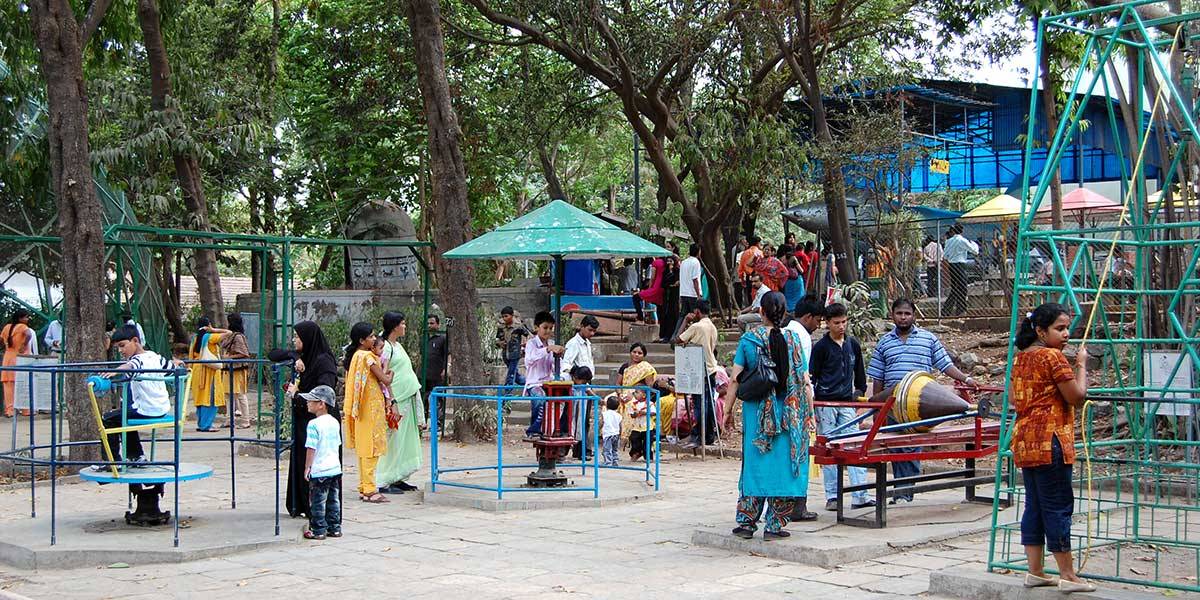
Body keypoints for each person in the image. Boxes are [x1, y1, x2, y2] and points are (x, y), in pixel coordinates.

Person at [1011, 303, 1096, 593]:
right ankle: (1068, 576)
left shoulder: (1020, 359)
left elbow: (1014, 399)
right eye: (1060, 328)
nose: (1067, 333)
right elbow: (1076, 396)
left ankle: (1035, 570)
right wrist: (1082, 365)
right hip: (1052, 442)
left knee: (1034, 505)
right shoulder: (1053, 357)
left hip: (1025, 442)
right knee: (1058, 506)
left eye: (1066, 327)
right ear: (1040, 331)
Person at [723, 291, 816, 541]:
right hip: (790, 414)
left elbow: (734, 379)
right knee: (784, 468)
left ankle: (746, 523)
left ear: (761, 312)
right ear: (785, 313)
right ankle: (774, 525)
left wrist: (727, 411)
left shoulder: (748, 340)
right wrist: (811, 415)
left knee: (755, 466)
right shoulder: (795, 340)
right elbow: (805, 382)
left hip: (757, 416)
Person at [867, 298, 975, 503]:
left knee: (911, 447)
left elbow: (944, 364)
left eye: (907, 314)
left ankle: (904, 493)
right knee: (894, 446)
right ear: (892, 315)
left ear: (914, 315)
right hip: (892, 405)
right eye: (899, 313)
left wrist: (966, 379)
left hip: (920, 406)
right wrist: (876, 409)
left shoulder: (928, 339)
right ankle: (900, 491)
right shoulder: (884, 343)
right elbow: (878, 377)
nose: (903, 317)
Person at [808, 303, 874, 510]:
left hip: (847, 402)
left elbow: (860, 374)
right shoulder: (820, 348)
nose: (841, 326)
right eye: (836, 323)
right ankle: (833, 496)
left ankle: (860, 494)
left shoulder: (852, 344)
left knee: (854, 445)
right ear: (827, 324)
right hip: (826, 403)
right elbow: (812, 377)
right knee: (829, 448)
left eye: (844, 322)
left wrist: (859, 393)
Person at [275, 321, 340, 519]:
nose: (295, 340)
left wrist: (298, 395)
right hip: (305, 419)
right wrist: (295, 356)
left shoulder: (324, 362)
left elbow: (325, 395)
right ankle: (301, 504)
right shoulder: (307, 357)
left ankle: (321, 513)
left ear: (309, 339)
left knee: (318, 465)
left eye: (298, 337)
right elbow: (274, 354)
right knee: (303, 461)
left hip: (320, 421)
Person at [102, 325, 176, 465]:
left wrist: (116, 371)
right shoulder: (156, 357)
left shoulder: (137, 360)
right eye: (118, 347)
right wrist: (177, 363)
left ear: (135, 340)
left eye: (123, 345)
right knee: (123, 416)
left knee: (108, 418)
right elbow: (173, 369)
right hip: (161, 408)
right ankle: (136, 456)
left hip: (146, 409)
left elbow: (131, 366)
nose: (120, 350)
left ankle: (112, 462)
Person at [343, 322, 392, 503]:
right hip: (371, 409)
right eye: (371, 337)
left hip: (360, 409)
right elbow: (385, 379)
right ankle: (370, 490)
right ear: (361, 340)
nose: (374, 339)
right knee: (372, 448)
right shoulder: (367, 357)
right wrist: (391, 373)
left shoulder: (356, 356)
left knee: (364, 449)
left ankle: (365, 487)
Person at [376, 312, 424, 494]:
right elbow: (383, 375)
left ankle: (398, 476)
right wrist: (391, 400)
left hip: (408, 395)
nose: (405, 327)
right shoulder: (386, 347)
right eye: (402, 324)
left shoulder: (398, 346)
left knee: (405, 438)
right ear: (395, 326)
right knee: (393, 438)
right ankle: (384, 478)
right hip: (397, 398)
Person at [675, 300, 719, 448]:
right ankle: (709, 435)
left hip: (700, 369)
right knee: (709, 403)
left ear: (697, 312)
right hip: (711, 368)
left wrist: (685, 321)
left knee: (700, 405)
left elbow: (676, 340)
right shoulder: (712, 326)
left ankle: (699, 435)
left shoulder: (696, 326)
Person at [301, 385, 342, 540]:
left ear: (321, 404)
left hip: (320, 469)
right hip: (334, 467)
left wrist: (307, 467)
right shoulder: (334, 422)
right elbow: (337, 444)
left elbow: (311, 448)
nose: (307, 403)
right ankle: (335, 528)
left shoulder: (313, 424)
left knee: (318, 501)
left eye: (311, 401)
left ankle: (318, 530)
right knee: (333, 500)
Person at [523, 311, 565, 441]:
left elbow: (557, 366)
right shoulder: (532, 344)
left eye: (550, 328)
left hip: (549, 382)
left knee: (571, 395)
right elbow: (529, 360)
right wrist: (547, 350)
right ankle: (534, 430)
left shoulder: (551, 343)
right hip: (534, 383)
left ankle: (562, 429)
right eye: (545, 327)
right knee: (540, 398)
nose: (548, 331)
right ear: (536, 327)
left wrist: (559, 356)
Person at [561, 315, 599, 457]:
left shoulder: (587, 343)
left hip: (586, 383)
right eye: (590, 330)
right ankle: (566, 448)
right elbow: (566, 365)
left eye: (594, 331)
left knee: (584, 418)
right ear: (582, 326)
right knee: (571, 418)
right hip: (577, 384)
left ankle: (581, 450)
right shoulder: (573, 343)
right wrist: (577, 376)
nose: (592, 334)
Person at [615, 342, 658, 460]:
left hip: (639, 395)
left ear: (643, 355)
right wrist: (619, 395)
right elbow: (618, 384)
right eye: (634, 352)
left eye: (640, 353)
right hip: (623, 392)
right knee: (610, 401)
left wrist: (633, 393)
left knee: (630, 406)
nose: (636, 355)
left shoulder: (646, 368)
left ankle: (635, 446)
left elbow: (649, 387)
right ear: (630, 352)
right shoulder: (625, 366)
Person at [188, 317, 226, 432]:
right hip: (208, 370)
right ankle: (207, 425)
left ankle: (201, 424)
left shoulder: (195, 338)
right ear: (208, 325)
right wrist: (213, 329)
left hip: (196, 369)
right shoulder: (210, 337)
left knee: (200, 398)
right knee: (210, 398)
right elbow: (228, 333)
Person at [219, 313, 252, 429]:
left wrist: (230, 357)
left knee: (240, 394)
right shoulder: (231, 335)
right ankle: (229, 419)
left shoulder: (237, 337)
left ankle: (245, 420)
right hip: (229, 369)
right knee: (228, 395)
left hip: (237, 369)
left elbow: (244, 353)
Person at [2, 310, 33, 418]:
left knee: (8, 385)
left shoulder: (7, 327)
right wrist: (24, 345)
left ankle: (9, 410)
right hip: (21, 357)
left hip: (8, 357)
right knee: (24, 384)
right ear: (20, 318)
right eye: (26, 317)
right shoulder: (23, 327)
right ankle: (26, 410)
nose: (27, 319)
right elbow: (28, 335)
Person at [943, 225, 979, 315]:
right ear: (962, 231)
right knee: (962, 288)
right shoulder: (962, 240)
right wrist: (974, 244)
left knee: (955, 288)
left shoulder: (948, 241)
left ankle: (946, 310)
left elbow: (945, 256)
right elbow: (975, 251)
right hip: (960, 265)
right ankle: (961, 309)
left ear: (953, 231)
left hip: (951, 266)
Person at [423, 315, 449, 432]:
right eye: (428, 323)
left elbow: (448, 355)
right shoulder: (424, 338)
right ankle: (423, 422)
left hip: (438, 374)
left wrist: (446, 369)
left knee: (438, 399)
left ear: (438, 325)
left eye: (432, 323)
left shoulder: (442, 338)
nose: (430, 326)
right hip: (425, 374)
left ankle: (438, 423)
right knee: (424, 398)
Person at [676, 243, 703, 338]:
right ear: (698, 252)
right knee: (696, 316)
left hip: (684, 293)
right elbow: (695, 280)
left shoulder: (684, 262)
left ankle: (676, 335)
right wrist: (698, 294)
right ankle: (695, 335)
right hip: (692, 294)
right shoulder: (696, 262)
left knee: (683, 316)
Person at [496, 307, 527, 387]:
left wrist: (525, 343)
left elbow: (527, 334)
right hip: (505, 354)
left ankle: (507, 394)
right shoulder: (501, 327)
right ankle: (526, 383)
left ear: (512, 315)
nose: (504, 318)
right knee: (514, 373)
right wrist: (500, 343)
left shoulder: (518, 326)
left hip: (515, 353)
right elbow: (498, 339)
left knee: (511, 374)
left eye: (506, 316)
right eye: (503, 317)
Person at [656, 257, 680, 342]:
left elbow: (678, 282)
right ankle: (664, 335)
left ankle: (673, 334)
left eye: (671, 261)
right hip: (666, 296)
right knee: (664, 315)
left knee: (673, 314)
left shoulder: (677, 271)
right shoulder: (665, 272)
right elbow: (663, 284)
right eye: (668, 261)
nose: (669, 263)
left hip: (674, 296)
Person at [737, 236, 764, 307]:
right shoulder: (760, 253)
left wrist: (742, 279)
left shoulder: (745, 253)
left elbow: (741, 268)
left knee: (749, 294)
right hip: (759, 276)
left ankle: (751, 307)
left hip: (749, 276)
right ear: (758, 243)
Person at [781, 246, 806, 312]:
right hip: (796, 280)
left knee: (789, 296)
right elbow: (801, 270)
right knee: (798, 295)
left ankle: (789, 310)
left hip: (787, 281)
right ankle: (798, 309)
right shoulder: (793, 258)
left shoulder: (781, 259)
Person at [601, 396, 622, 466]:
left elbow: (602, 422)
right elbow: (620, 425)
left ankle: (608, 462)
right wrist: (620, 434)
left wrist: (599, 428)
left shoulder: (604, 414)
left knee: (607, 449)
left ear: (607, 405)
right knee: (614, 449)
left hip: (608, 434)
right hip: (616, 434)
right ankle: (615, 460)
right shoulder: (619, 415)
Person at [732, 236, 749, 306]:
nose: (746, 241)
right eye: (744, 239)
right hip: (739, 275)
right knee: (739, 291)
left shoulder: (738, 249)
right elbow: (738, 263)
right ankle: (740, 305)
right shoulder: (738, 250)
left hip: (739, 274)